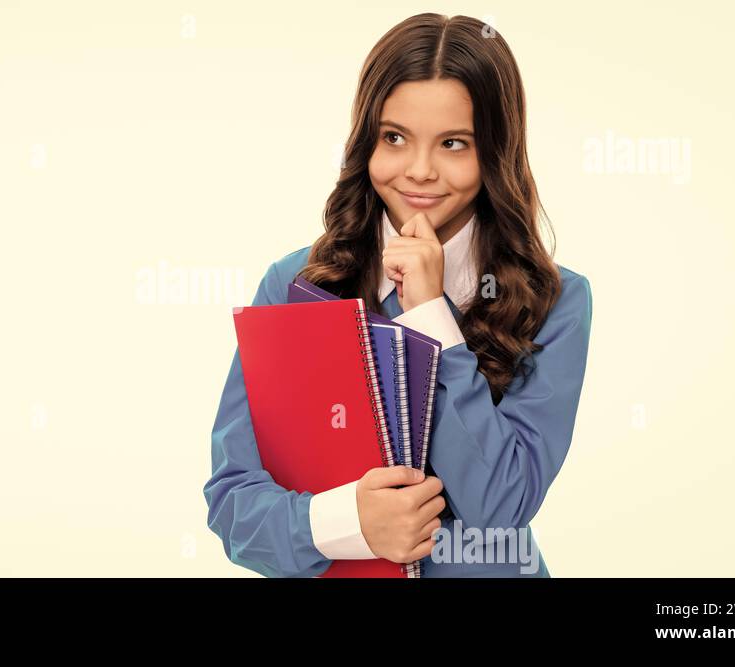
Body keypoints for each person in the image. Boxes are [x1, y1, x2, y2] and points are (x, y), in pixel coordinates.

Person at [203, 13, 592, 577]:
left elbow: (503, 508)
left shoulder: (555, 300)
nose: (420, 171)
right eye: (394, 138)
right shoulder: (296, 286)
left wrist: (432, 316)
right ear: (366, 143)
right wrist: (349, 522)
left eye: (454, 143)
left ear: (495, 154)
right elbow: (234, 505)